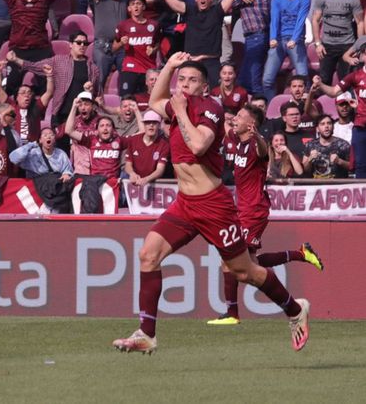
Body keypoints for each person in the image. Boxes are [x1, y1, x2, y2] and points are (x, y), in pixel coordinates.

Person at [113, 53, 310, 354]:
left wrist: (178, 109)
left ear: (205, 86)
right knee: (147, 255)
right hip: (185, 204)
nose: (186, 85)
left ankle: (295, 310)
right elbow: (154, 102)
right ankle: (146, 333)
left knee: (246, 272)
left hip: (214, 205)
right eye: (182, 80)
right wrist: (168, 67)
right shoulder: (177, 105)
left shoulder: (211, 108)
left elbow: (200, 144)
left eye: (193, 80)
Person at [208, 105, 324, 326]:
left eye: (241, 116)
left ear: (251, 124)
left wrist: (258, 136)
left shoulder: (255, 144)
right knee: (248, 266)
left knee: (229, 261)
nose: (237, 118)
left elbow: (263, 150)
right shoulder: (235, 138)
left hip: (254, 210)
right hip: (241, 208)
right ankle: (300, 254)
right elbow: (225, 124)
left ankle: (232, 313)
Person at [0, 0, 68, 95]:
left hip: (41, 50)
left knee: (47, 87)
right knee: (12, 87)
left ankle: (43, 113)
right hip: (18, 49)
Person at [161, 0, 239, 87]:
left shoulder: (217, 11)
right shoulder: (189, 10)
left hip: (212, 62)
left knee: (214, 97)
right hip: (192, 63)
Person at [262, 0, 311, 100]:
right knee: (267, 79)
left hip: (296, 40)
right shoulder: (277, 0)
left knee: (303, 76)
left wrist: (294, 39)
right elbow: (274, 21)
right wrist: (272, 38)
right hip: (279, 39)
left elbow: (300, 21)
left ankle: (304, 105)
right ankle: (271, 105)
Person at [310, 0, 364, 86]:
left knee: (346, 81)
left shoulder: (353, 0)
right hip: (327, 46)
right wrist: (318, 43)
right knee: (324, 81)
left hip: (347, 45)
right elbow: (315, 20)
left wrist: (359, 46)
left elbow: (360, 23)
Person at [124, 109, 169, 186]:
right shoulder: (133, 140)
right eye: (148, 122)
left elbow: (160, 170)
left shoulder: (164, 144)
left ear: (159, 125)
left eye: (154, 123)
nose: (151, 125)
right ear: (144, 125)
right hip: (135, 180)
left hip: (154, 182)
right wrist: (132, 173)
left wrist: (146, 179)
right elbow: (128, 164)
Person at [302, 114, 351, 179]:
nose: (326, 126)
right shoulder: (310, 145)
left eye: (329, 123)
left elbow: (353, 167)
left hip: (338, 187)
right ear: (317, 129)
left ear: (333, 127)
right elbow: (304, 170)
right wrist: (310, 159)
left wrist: (339, 161)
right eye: (322, 124)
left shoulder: (343, 144)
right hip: (316, 187)